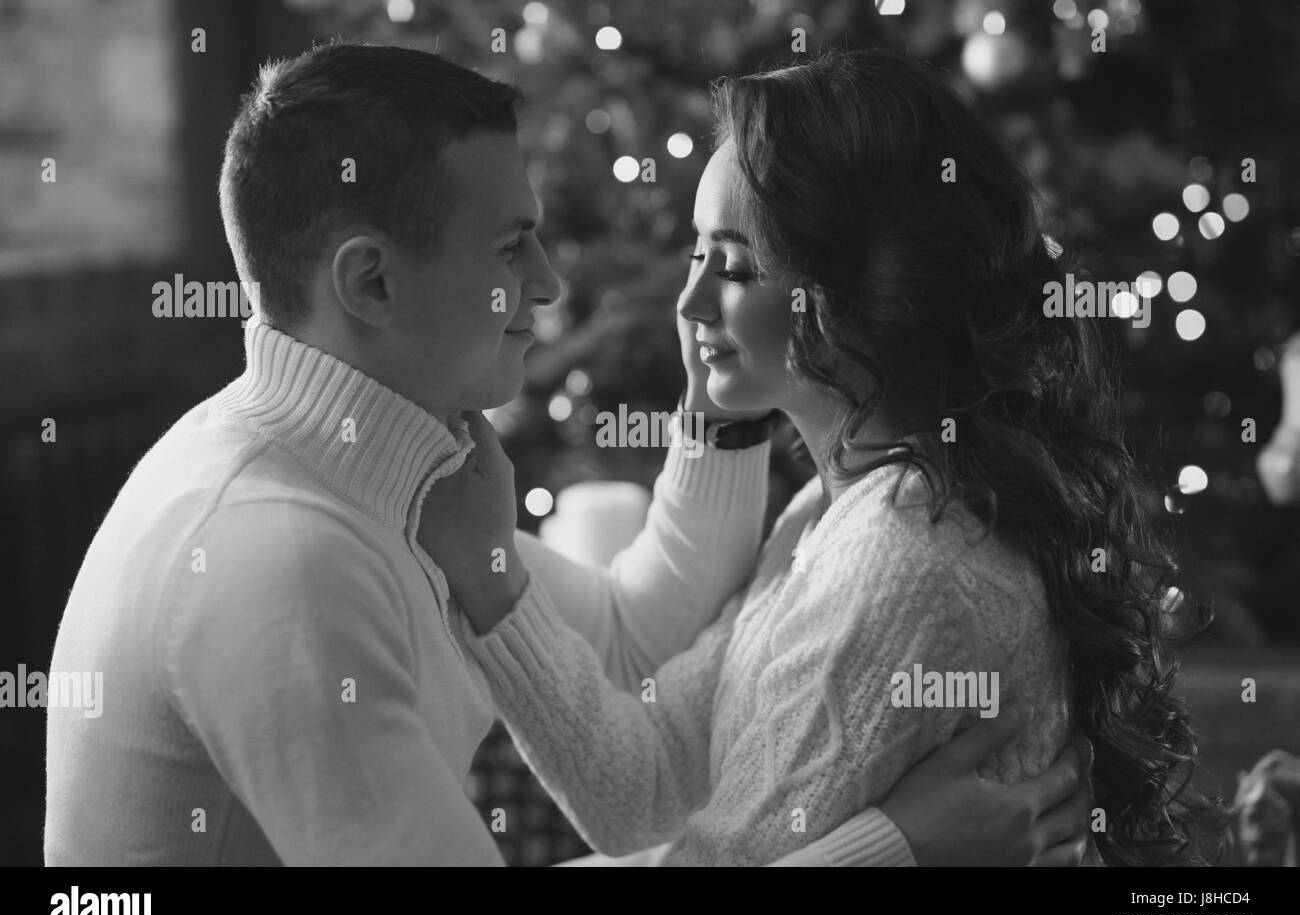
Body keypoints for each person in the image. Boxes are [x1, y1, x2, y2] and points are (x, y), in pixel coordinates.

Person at [45, 42, 1088, 866]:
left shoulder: (398, 483)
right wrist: (895, 850)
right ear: (369, 285)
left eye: (725, 265)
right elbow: (651, 791)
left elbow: (629, 667)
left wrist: (718, 420)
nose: (549, 284)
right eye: (510, 248)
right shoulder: (280, 553)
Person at [421, 48, 1224, 866]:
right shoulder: (834, 512)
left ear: (859, 292)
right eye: (695, 254)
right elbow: (647, 790)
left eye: (732, 265)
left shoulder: (904, 560)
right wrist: (489, 583)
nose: (689, 301)